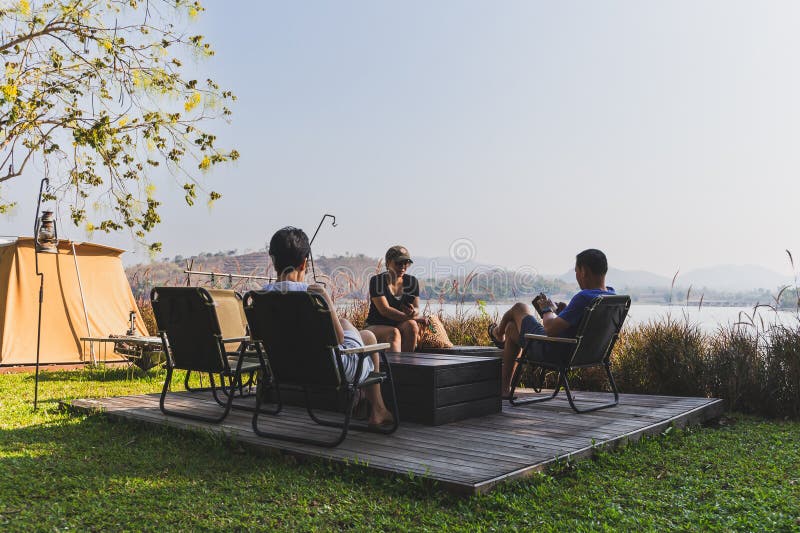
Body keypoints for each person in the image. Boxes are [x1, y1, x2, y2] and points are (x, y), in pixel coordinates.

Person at [262, 227, 394, 427]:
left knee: (354, 329)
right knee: (367, 337)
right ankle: (378, 409)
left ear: (273, 261)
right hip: (328, 371)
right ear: (305, 262)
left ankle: (374, 407)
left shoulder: (260, 297)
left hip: (283, 368)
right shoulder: (315, 295)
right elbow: (339, 340)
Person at [488, 249, 615, 398]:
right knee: (511, 329)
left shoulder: (584, 297)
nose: (576, 277)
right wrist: (563, 311)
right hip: (586, 354)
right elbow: (582, 325)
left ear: (584, 271)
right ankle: (504, 389)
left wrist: (546, 309)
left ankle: (497, 333)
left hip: (554, 351)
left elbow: (550, 329)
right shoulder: (611, 297)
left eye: (576, 272)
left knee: (519, 308)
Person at [364, 245, 429, 352]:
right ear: (388, 263)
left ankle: (408, 365)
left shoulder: (412, 282)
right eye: (398, 263)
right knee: (393, 333)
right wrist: (413, 317)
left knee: (412, 326)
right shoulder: (377, 281)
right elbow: (385, 310)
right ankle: (395, 367)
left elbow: (417, 308)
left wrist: (413, 312)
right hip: (376, 325)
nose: (403, 266)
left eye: (406, 263)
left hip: (401, 323)